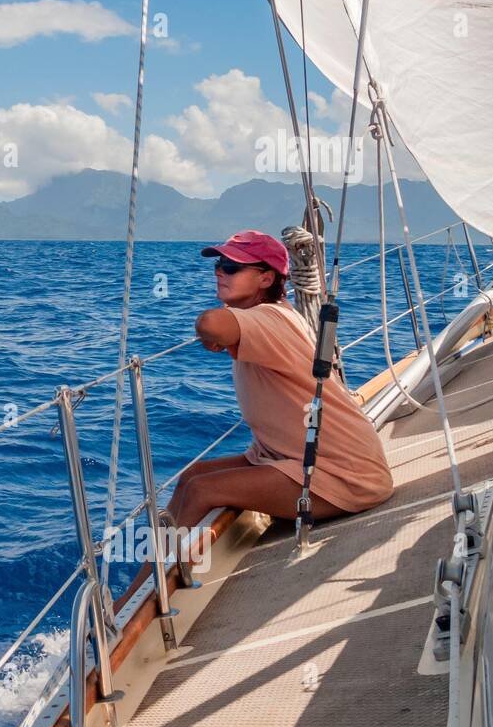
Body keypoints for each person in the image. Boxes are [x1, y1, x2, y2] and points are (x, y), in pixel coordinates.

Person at [162, 229, 394, 535]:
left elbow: (210, 324)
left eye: (232, 267)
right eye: (218, 265)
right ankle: (149, 576)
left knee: (201, 490)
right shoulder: (272, 317)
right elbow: (220, 328)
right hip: (289, 457)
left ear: (266, 278)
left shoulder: (271, 318)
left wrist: (213, 335)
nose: (220, 271)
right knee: (191, 476)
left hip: (347, 475)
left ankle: (158, 579)